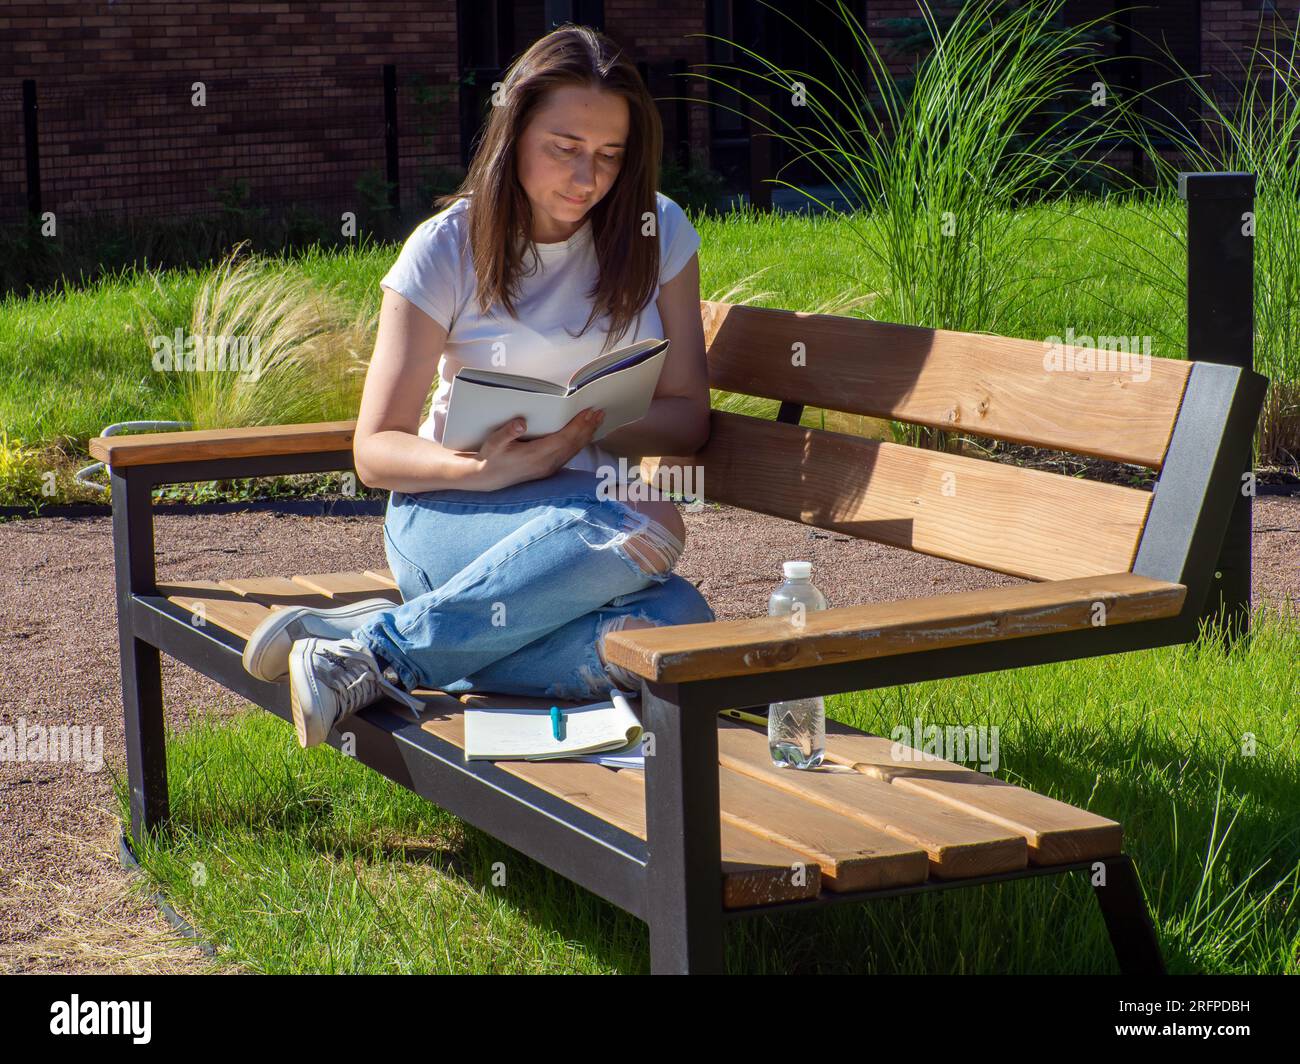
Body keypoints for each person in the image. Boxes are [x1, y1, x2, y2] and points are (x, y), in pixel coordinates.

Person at [240, 25, 716, 748]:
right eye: (565, 148)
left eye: (610, 156)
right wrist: (483, 467)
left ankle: (384, 643)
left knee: (682, 627)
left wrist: (587, 425)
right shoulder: (445, 248)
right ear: (515, 129)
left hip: (584, 542)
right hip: (453, 514)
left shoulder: (660, 231)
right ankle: (380, 653)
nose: (588, 179)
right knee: (649, 518)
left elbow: (688, 419)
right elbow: (376, 451)